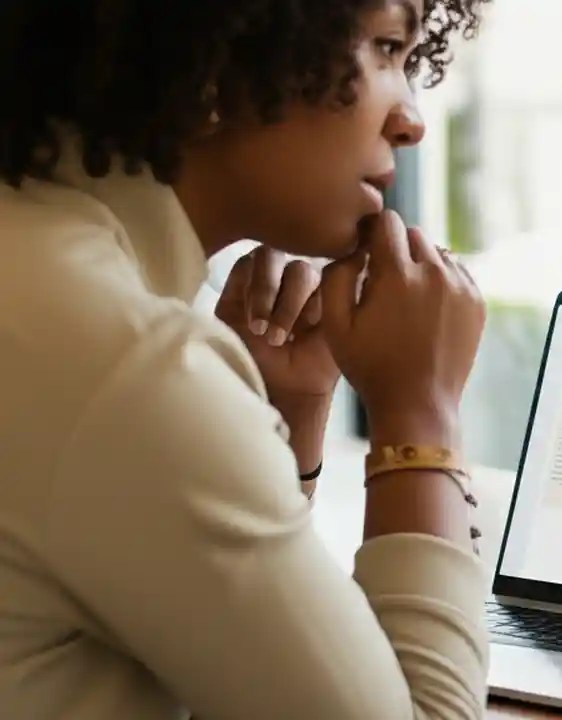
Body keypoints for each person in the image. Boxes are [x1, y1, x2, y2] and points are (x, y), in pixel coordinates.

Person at [0, 1, 494, 718]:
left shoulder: (42, 270)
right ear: (218, 55)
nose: (412, 119)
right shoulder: (128, 366)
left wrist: (276, 427)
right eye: (386, 48)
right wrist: (420, 415)